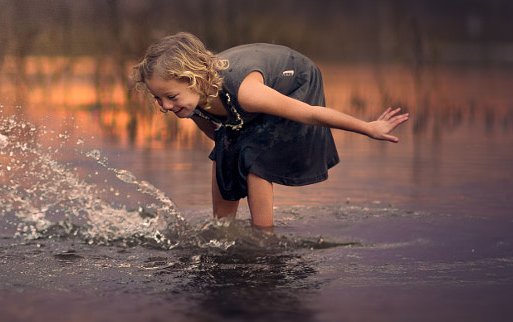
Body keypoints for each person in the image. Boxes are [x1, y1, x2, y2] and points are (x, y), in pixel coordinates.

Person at [131, 33, 408, 230]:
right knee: (226, 149)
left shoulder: (248, 93)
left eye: (170, 96)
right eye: (158, 99)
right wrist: (229, 150)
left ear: (194, 79)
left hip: (295, 80)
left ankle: (264, 236)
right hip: (239, 86)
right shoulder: (191, 104)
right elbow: (219, 139)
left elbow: (308, 113)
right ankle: (222, 230)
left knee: (253, 157)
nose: (164, 106)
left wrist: (368, 127)